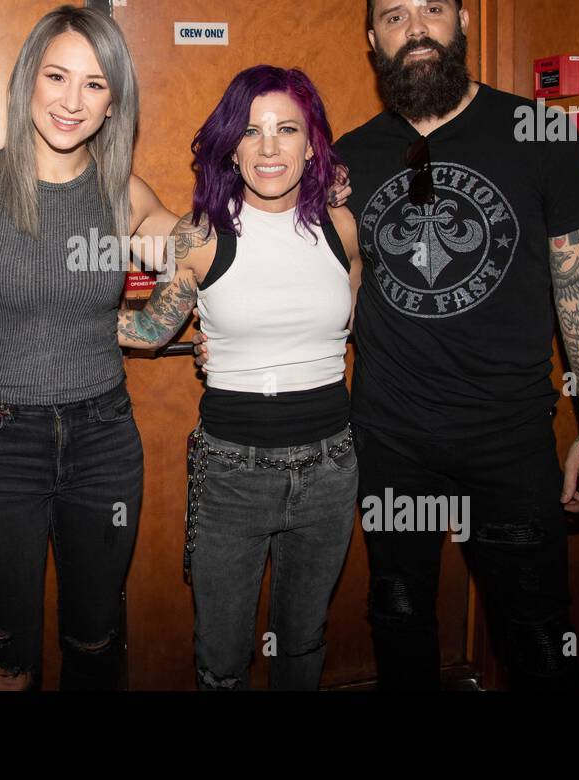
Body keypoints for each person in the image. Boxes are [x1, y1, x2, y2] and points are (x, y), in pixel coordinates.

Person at [335, 0, 579, 689]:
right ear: (374, 41)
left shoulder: (541, 134)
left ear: (461, 20)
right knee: (399, 626)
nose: (416, 26)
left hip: (511, 446)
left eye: (431, 8)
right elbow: (325, 284)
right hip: (391, 442)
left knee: (537, 637)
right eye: (395, 15)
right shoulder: (347, 159)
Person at [0, 4, 179, 690]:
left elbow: (195, 247)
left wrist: (151, 323)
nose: (72, 101)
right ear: (27, 82)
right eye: (57, 76)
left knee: (96, 643)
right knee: (8, 661)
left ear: (114, 103)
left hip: (104, 441)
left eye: (96, 84)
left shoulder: (122, 195)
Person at [118, 65, 362, 690]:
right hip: (232, 471)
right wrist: (55, 302)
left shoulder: (341, 229)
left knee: (303, 645)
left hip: (331, 469)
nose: (270, 147)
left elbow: (347, 325)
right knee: (221, 658)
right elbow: (147, 332)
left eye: (287, 130)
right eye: (251, 132)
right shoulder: (200, 235)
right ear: (231, 145)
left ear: (312, 144)